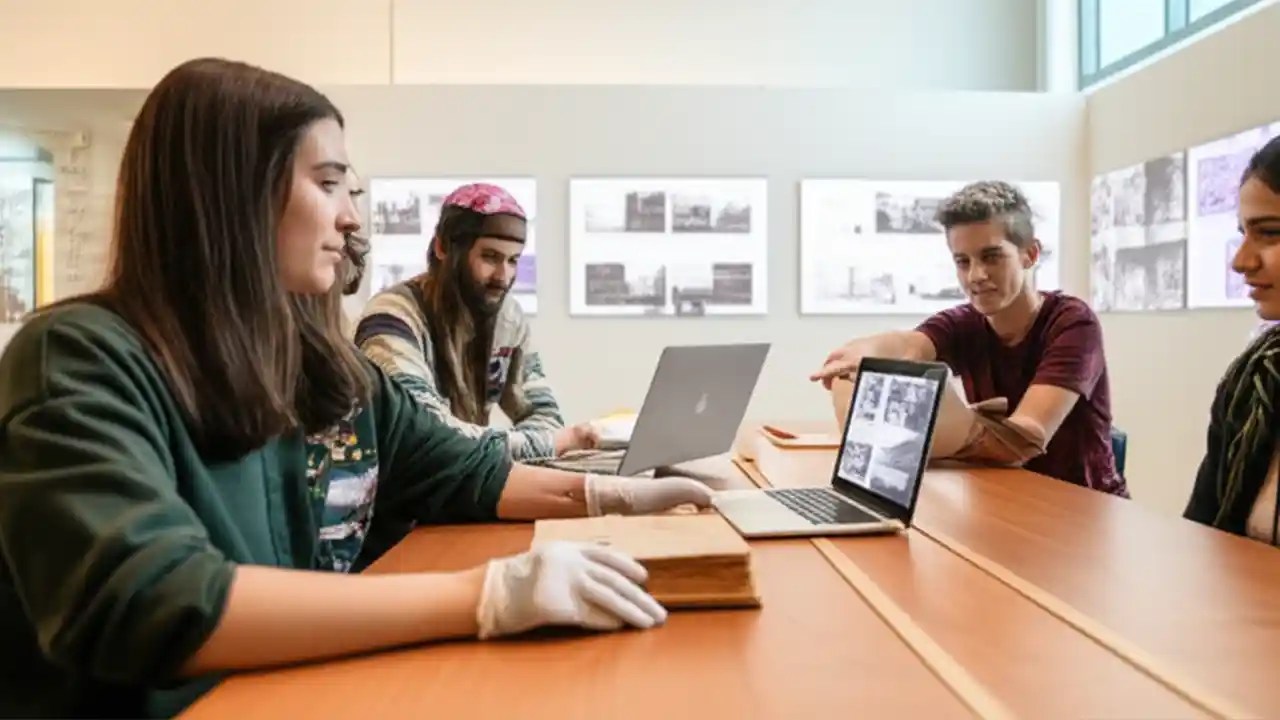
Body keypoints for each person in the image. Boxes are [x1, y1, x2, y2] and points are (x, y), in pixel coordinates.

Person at [0, 58, 713, 719]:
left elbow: (467, 470)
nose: (351, 218)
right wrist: (483, 595)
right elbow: (154, 601)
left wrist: (612, 494)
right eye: (329, 183)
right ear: (233, 189)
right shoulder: (76, 358)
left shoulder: (307, 365)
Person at [811, 180, 1126, 497]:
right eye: (963, 261)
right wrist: (858, 353)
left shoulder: (1073, 323)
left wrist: (947, 431)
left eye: (991, 257)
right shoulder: (965, 323)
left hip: (1083, 509)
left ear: (1030, 254)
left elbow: (1027, 438)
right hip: (1004, 498)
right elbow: (911, 345)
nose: (976, 275)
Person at [355, 183, 596, 461]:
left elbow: (544, 414)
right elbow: (428, 436)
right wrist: (551, 443)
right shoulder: (392, 319)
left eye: (513, 260)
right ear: (443, 247)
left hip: (464, 486)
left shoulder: (508, 318)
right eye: (490, 257)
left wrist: (546, 442)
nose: (503, 277)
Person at [1184, 134, 1280, 546]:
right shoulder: (1255, 374)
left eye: (1270, 233)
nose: (1241, 261)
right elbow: (1202, 534)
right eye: (1243, 233)